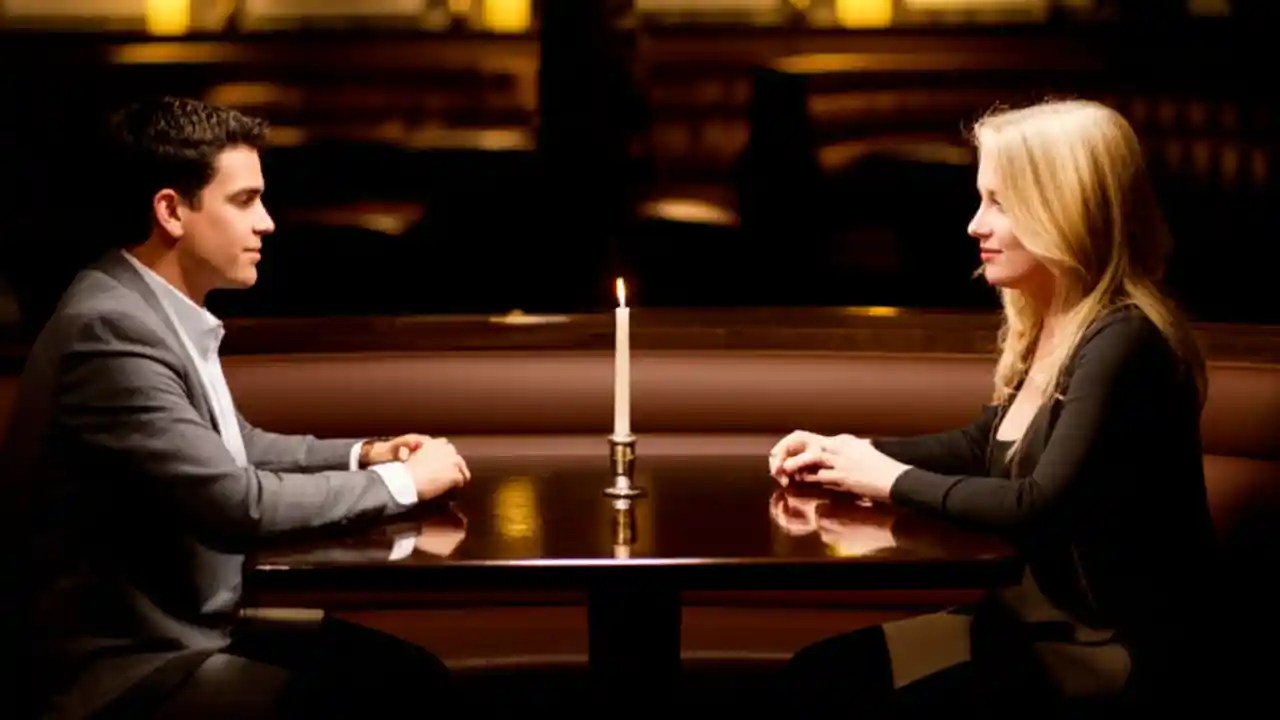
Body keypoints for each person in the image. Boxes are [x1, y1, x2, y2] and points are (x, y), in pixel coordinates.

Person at [0, 96, 471, 719]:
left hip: (188, 634)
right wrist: (403, 482)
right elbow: (237, 505)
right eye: (245, 200)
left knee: (408, 676)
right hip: (125, 673)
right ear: (171, 210)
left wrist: (367, 455)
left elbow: (236, 446)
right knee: (382, 699)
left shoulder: (145, 306)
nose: (268, 222)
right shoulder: (110, 332)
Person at [768, 99, 1222, 716]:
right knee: (818, 675)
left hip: (1101, 653)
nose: (974, 226)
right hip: (1021, 626)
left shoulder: (1125, 338)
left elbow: (1038, 504)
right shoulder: (1055, 320)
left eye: (999, 203)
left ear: (1064, 206)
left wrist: (888, 480)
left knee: (844, 694)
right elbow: (988, 444)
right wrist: (849, 452)